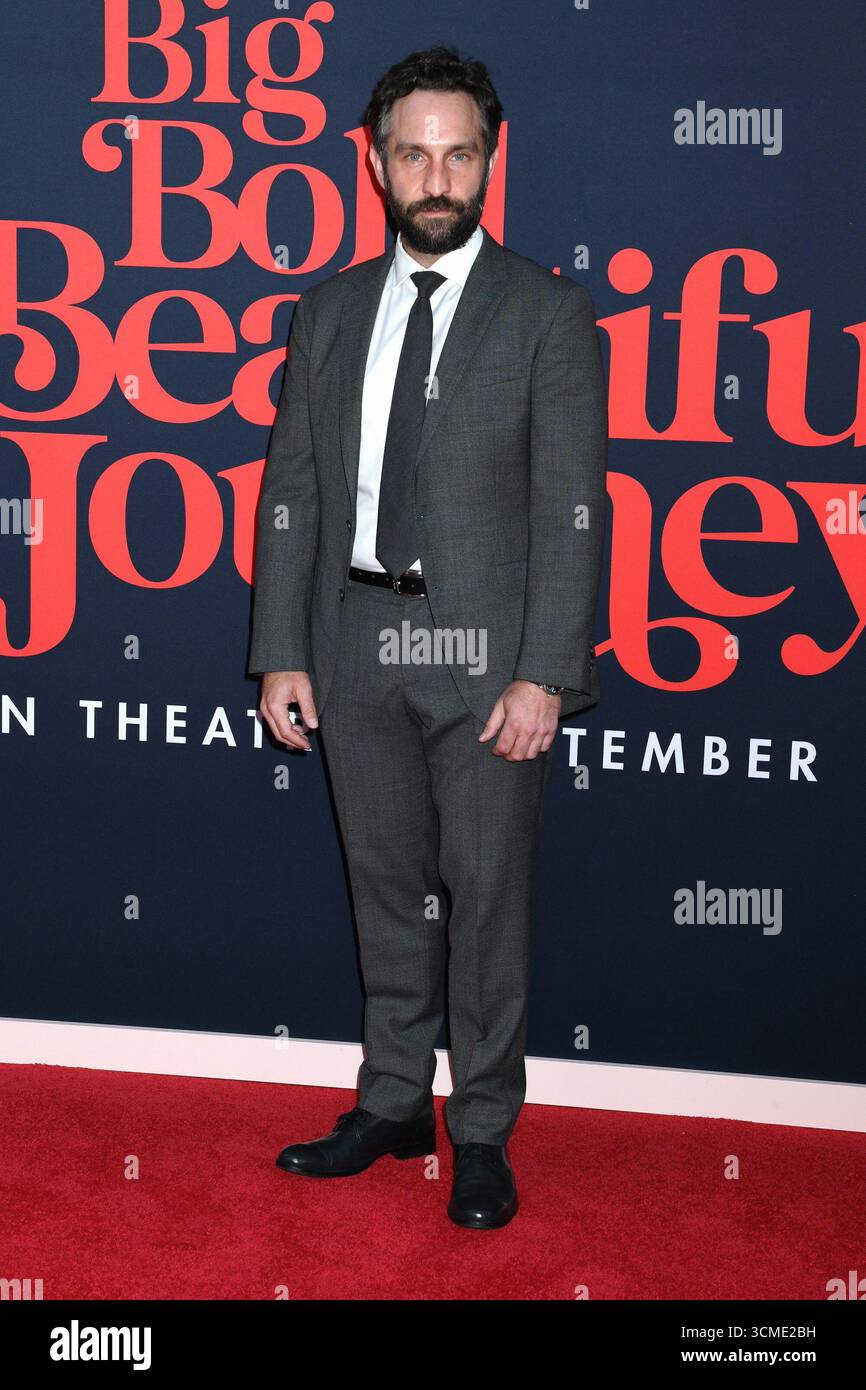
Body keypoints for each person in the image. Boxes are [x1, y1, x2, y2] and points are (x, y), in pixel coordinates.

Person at [248, 45, 608, 1228]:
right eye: (414, 152)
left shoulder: (550, 314)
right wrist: (283, 648)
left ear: (490, 162)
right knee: (386, 888)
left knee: (485, 896)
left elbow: (574, 506)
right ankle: (395, 1101)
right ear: (375, 161)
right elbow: (290, 486)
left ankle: (483, 1128)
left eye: (460, 152)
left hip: (485, 658)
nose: (436, 175)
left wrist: (546, 671)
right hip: (355, 640)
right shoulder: (330, 310)